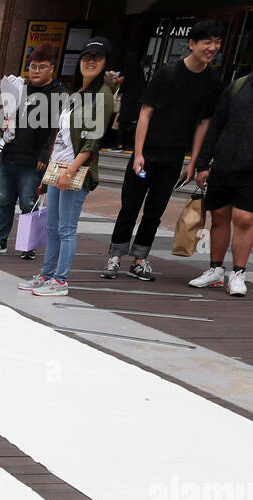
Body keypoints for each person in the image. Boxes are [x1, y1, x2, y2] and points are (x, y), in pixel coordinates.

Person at [103, 19, 223, 281]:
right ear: (191, 44)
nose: (212, 47)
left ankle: (139, 259)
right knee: (130, 206)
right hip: (148, 154)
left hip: (174, 156)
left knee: (155, 210)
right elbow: (145, 113)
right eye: (207, 41)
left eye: (217, 41)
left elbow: (204, 122)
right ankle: (115, 256)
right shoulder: (168, 73)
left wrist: (193, 162)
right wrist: (138, 153)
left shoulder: (213, 79)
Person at [19, 38, 115, 297]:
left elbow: (92, 141)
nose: (90, 62)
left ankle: (60, 281)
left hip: (76, 171)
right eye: (86, 57)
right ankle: (47, 274)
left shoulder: (102, 96)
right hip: (57, 168)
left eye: (97, 57)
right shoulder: (76, 95)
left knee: (66, 229)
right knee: (51, 227)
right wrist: (51, 172)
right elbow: (60, 135)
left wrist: (70, 171)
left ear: (106, 63)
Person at [0, 44, 64, 257]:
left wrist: (46, 154)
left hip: (34, 159)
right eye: (33, 66)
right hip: (10, 154)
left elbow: (58, 129)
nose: (36, 71)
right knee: (5, 201)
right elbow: (7, 116)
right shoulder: (21, 88)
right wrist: (6, 124)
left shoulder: (59, 92)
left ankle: (29, 245)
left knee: (29, 202)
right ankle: (0, 241)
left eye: (41, 67)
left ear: (51, 69)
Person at [189, 73, 252, 297]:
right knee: (219, 217)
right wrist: (203, 164)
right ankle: (216, 269)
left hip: (250, 172)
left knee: (245, 219)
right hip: (223, 165)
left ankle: (238, 273)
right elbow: (215, 126)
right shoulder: (237, 87)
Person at [115, 53, 146, 152]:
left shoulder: (129, 72)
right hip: (137, 101)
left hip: (127, 100)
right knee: (133, 123)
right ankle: (131, 143)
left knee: (122, 123)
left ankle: (119, 144)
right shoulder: (140, 72)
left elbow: (123, 87)